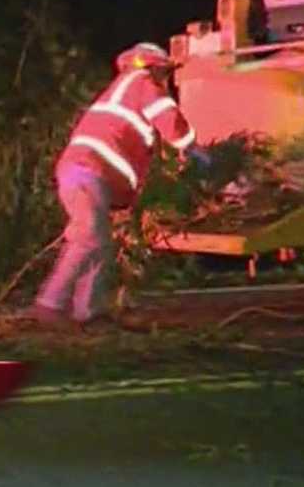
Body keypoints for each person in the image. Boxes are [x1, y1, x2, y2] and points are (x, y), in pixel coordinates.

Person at [32, 42, 210, 328]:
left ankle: (89, 312)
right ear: (156, 67)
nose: (166, 80)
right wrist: (191, 148)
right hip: (89, 171)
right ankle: (50, 304)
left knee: (99, 242)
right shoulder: (142, 84)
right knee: (88, 237)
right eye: (165, 72)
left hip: (87, 172)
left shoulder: (122, 92)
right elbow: (167, 116)